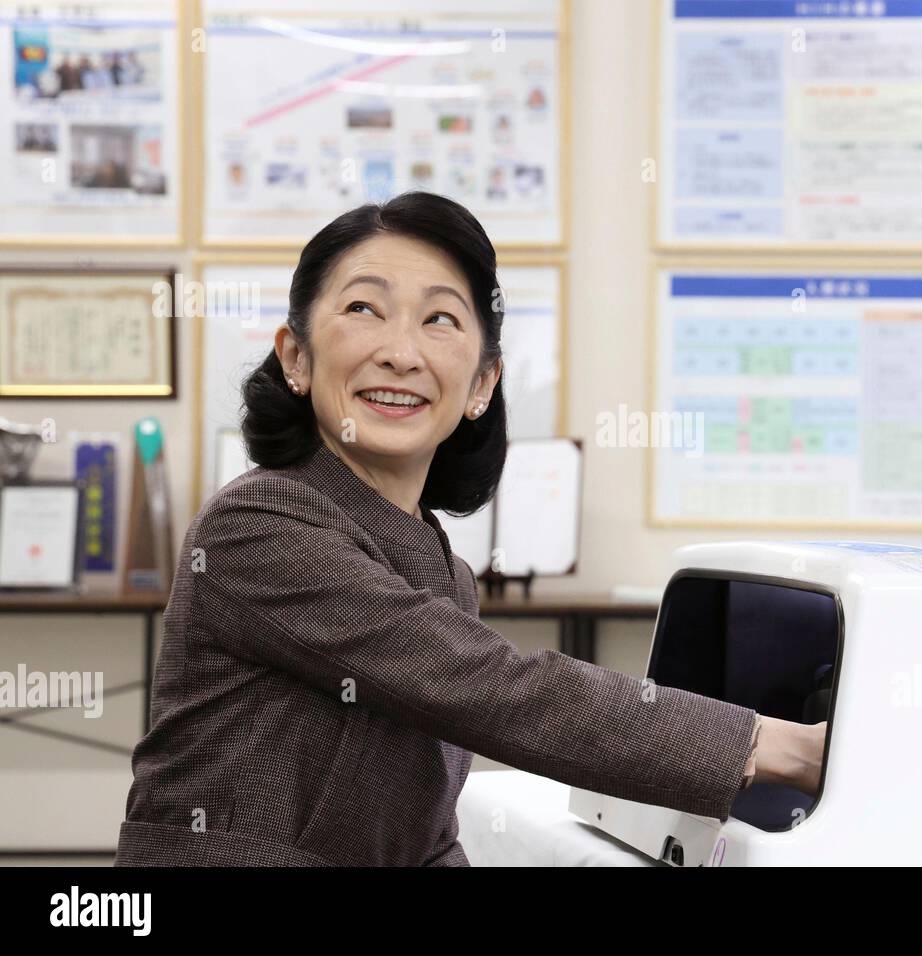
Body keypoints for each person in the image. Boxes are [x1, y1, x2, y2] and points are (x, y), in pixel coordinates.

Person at [115, 191, 826, 866]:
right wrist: (776, 746)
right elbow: (502, 690)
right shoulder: (256, 527)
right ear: (296, 357)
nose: (401, 352)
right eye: (364, 308)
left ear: (482, 383)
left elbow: (425, 839)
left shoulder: (442, 571)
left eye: (440, 319)